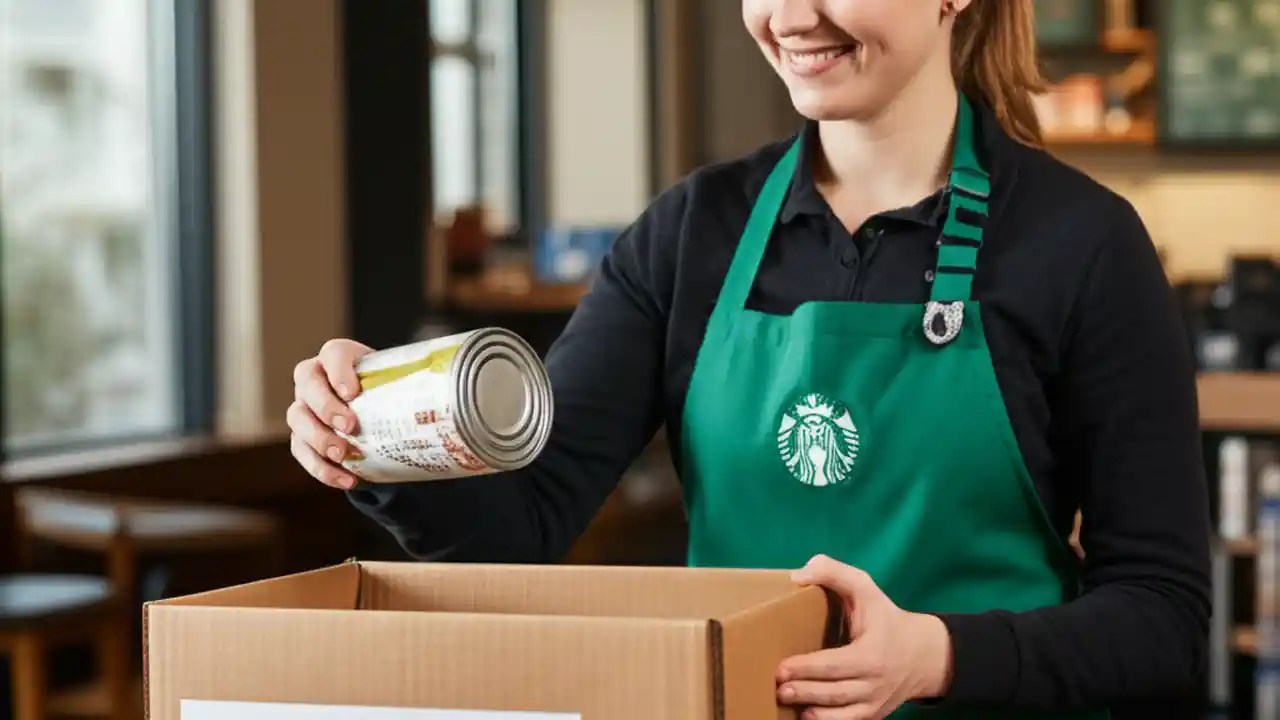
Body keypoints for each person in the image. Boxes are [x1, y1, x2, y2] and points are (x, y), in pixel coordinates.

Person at [287, 0, 1210, 717]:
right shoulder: (691, 235)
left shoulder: (1082, 245)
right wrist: (378, 436)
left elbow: (1163, 618)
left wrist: (935, 657)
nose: (795, 18)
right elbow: (521, 522)